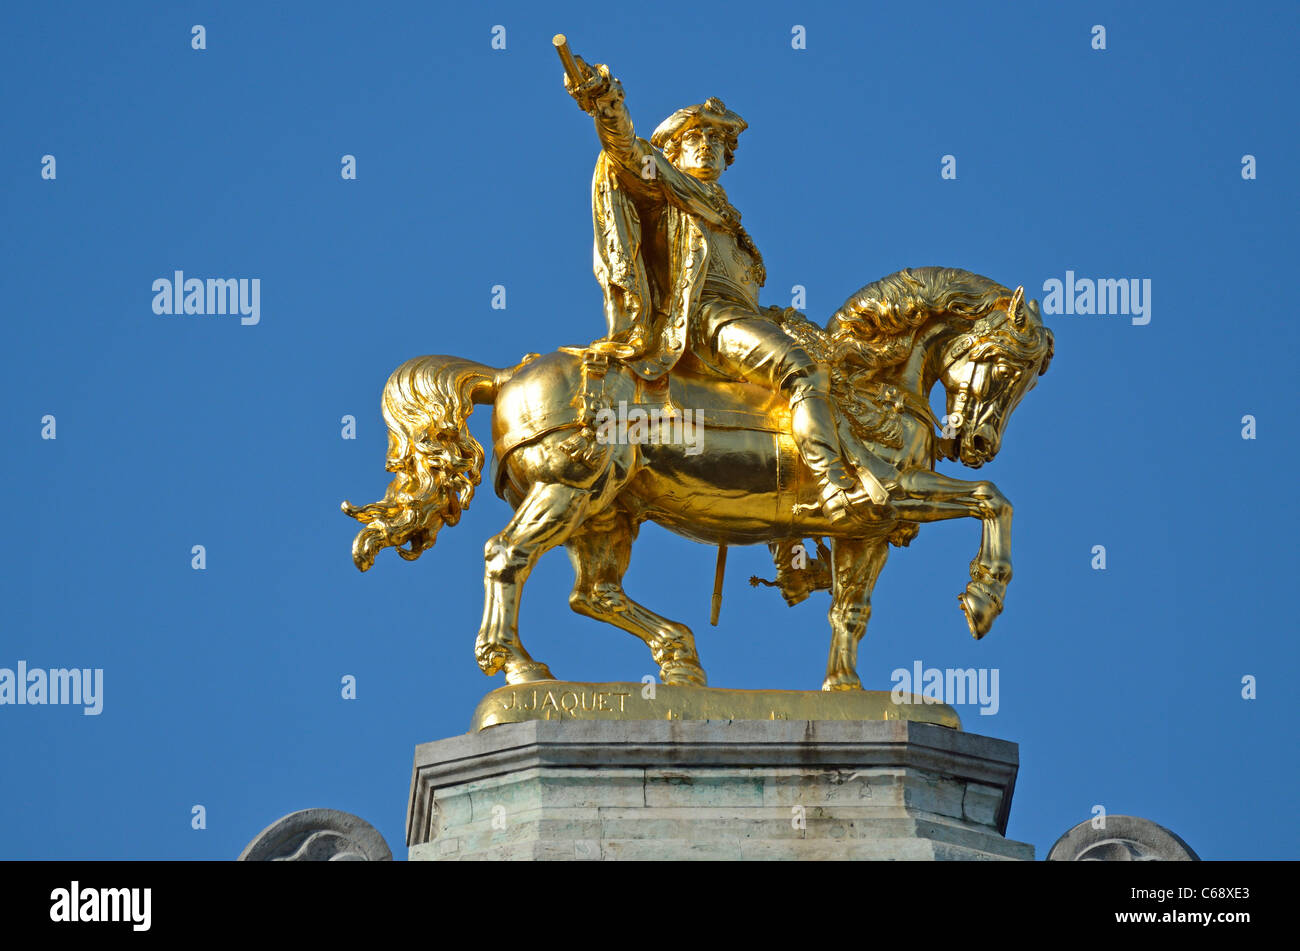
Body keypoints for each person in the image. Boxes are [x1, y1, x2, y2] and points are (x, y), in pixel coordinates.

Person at [564, 59, 895, 524]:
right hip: (705, 322)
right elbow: (626, 150)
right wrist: (608, 105)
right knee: (801, 371)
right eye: (695, 139)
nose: (708, 147)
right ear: (672, 153)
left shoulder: (725, 211)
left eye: (718, 141)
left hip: (741, 319)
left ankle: (791, 545)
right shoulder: (665, 189)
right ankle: (832, 485)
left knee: (826, 383)